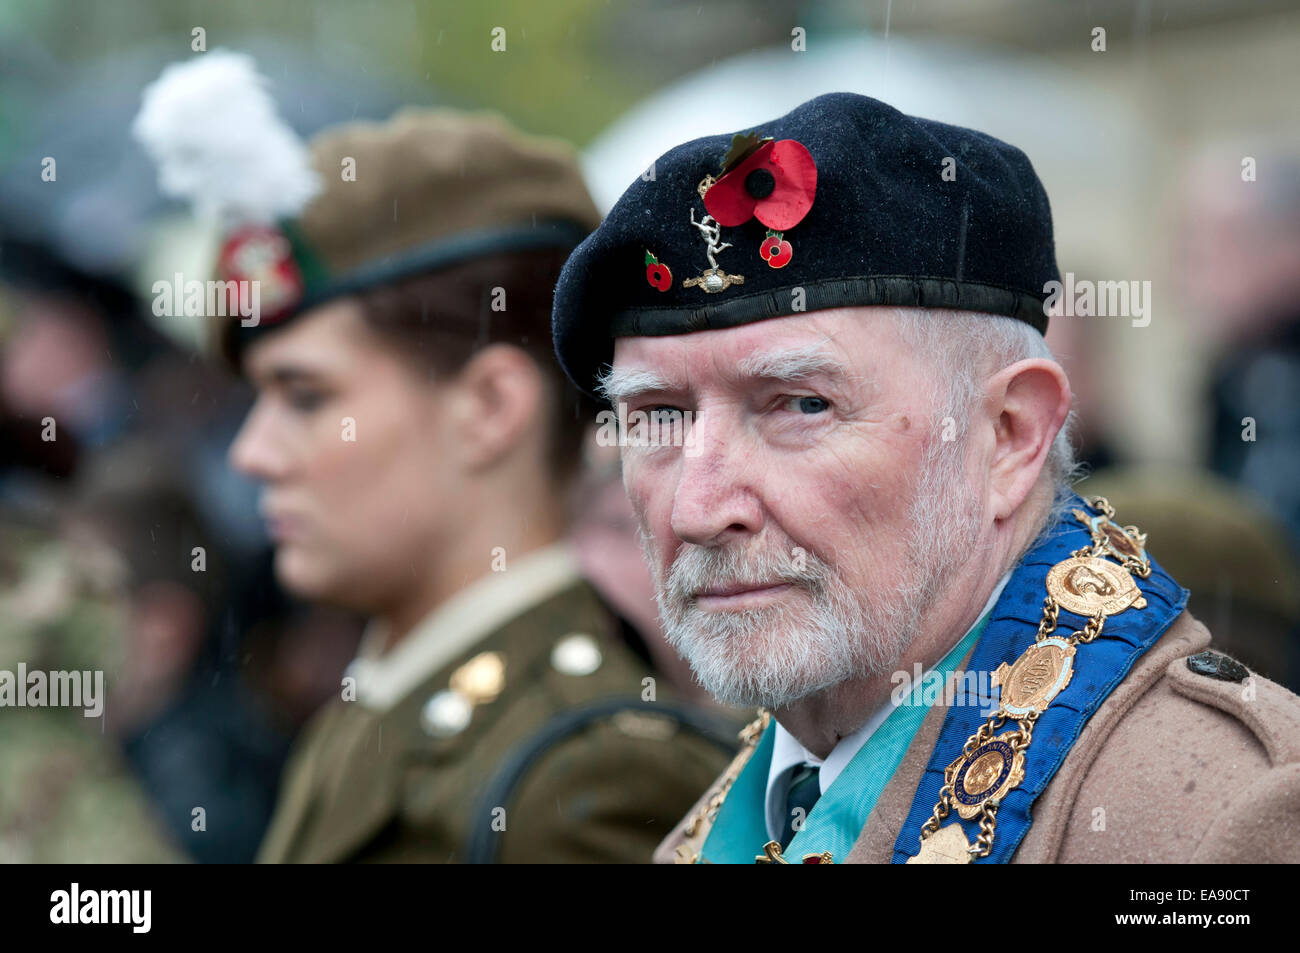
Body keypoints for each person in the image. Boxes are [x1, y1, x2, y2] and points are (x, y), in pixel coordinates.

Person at [550, 92, 1300, 863]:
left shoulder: (1221, 824)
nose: (699, 508)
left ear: (1009, 435)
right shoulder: (738, 808)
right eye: (658, 418)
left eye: (802, 404)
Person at [134, 51, 734, 863]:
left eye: (306, 397)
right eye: (257, 400)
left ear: (490, 407)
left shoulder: (583, 773)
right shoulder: (385, 702)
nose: (252, 453)